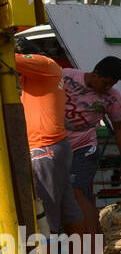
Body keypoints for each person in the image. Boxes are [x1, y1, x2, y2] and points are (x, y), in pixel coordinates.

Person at [62, 57, 121, 238]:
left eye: (111, 84)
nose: (107, 87)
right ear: (95, 73)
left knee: (76, 191)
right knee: (67, 196)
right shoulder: (65, 76)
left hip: (85, 147)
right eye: (105, 83)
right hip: (57, 146)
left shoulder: (112, 98)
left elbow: (120, 128)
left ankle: (92, 244)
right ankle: (81, 241)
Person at [16, 52, 80, 235]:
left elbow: (9, 58)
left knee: (44, 216)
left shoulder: (44, 64)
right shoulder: (43, 73)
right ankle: (83, 252)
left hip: (44, 148)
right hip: (54, 147)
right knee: (68, 210)